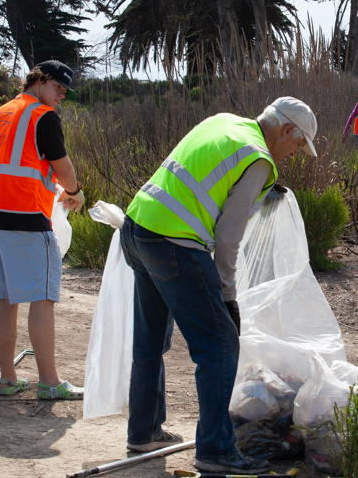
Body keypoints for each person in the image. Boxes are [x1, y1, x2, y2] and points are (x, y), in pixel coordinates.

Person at [120, 97, 318, 473]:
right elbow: (228, 238)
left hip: (137, 227)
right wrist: (227, 296)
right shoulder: (260, 159)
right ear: (287, 130)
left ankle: (143, 432)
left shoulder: (225, 122)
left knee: (150, 342)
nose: (294, 154)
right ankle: (216, 450)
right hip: (174, 242)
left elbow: (208, 181)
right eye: (298, 145)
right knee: (220, 346)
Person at [0, 60, 86, 401]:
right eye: (58, 88)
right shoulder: (43, 116)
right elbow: (63, 167)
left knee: (6, 296)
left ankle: (8, 379)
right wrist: (73, 191)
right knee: (43, 295)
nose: (61, 97)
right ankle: (50, 382)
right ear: (40, 81)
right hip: (25, 215)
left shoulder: (1, 113)